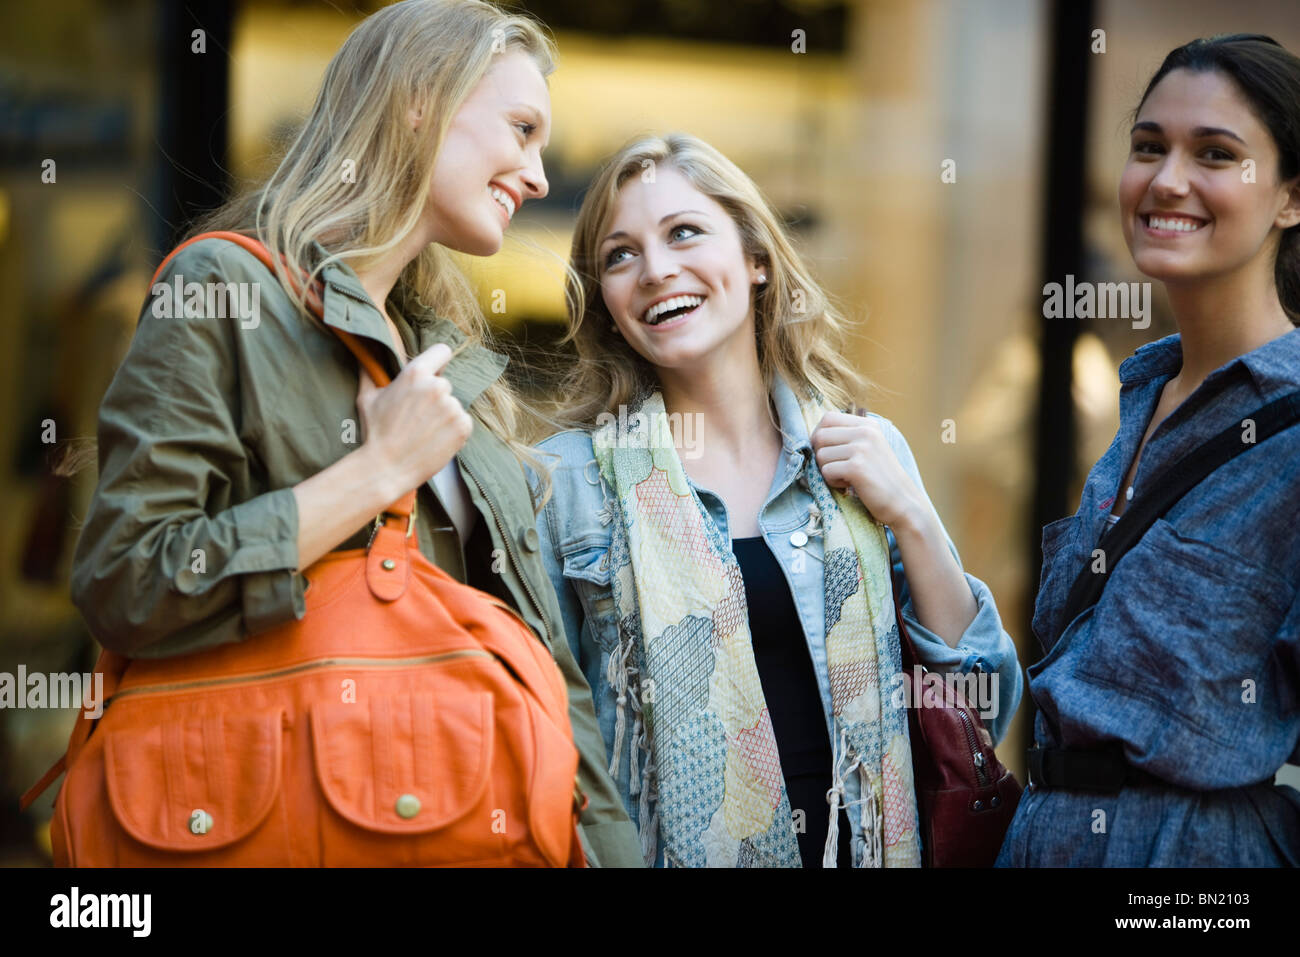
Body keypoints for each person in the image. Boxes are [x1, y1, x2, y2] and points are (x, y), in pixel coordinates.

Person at [68, 0, 643, 868]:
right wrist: (374, 473)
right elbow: (128, 578)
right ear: (422, 99)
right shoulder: (227, 287)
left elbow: (543, 662)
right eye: (520, 130)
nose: (534, 173)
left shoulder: (449, 358)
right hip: (280, 818)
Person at [532, 132, 1022, 867]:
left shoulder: (862, 449)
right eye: (620, 254)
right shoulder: (566, 482)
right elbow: (542, 744)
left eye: (684, 232)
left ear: (756, 260)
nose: (657, 270)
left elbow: (983, 702)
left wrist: (913, 518)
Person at [998, 34, 1300, 867]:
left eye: (1216, 153)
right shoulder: (1144, 396)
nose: (1168, 179)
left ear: (1290, 198)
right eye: (1148, 147)